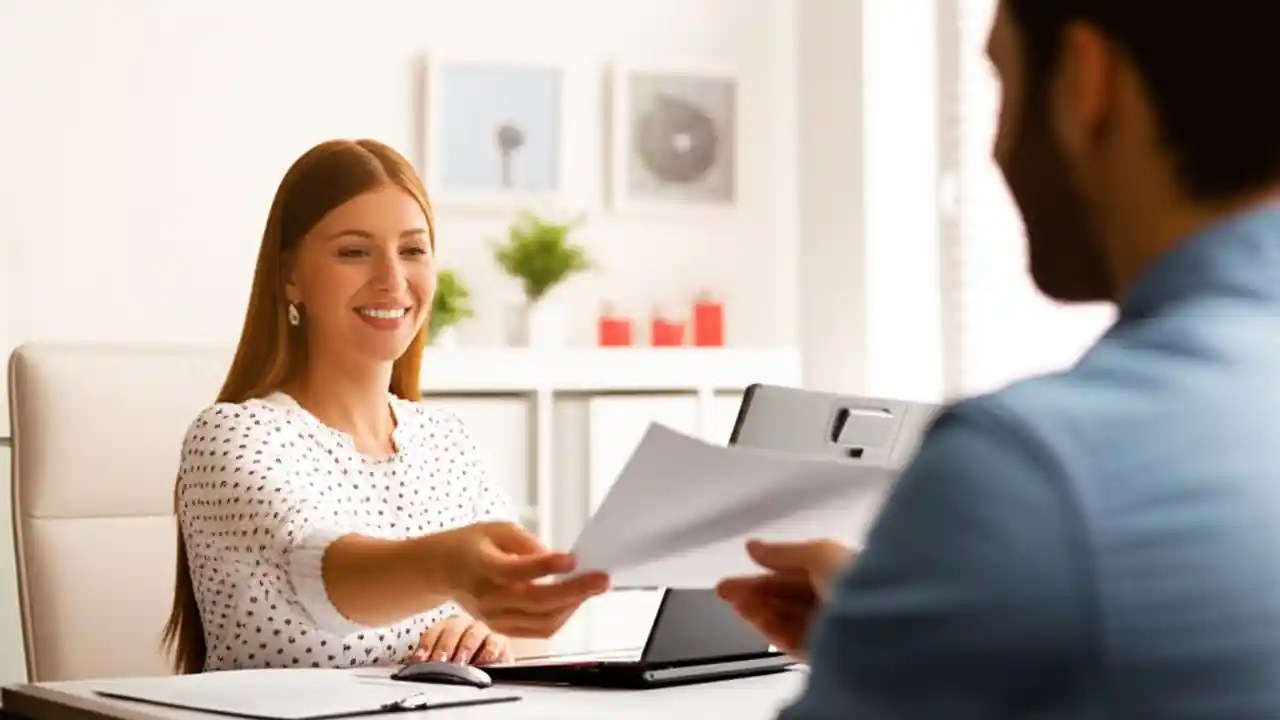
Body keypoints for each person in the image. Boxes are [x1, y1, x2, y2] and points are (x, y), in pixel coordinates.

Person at [718, 0, 1280, 717]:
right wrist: (903, 640)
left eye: (1003, 81)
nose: (993, 150)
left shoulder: (1033, 470)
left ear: (1087, 80)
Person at [162, 139, 609, 674]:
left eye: (413, 250)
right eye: (354, 251)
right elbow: (319, 573)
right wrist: (450, 568)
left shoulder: (449, 440)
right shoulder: (233, 436)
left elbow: (525, 621)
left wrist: (488, 631)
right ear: (290, 276)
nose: (392, 279)